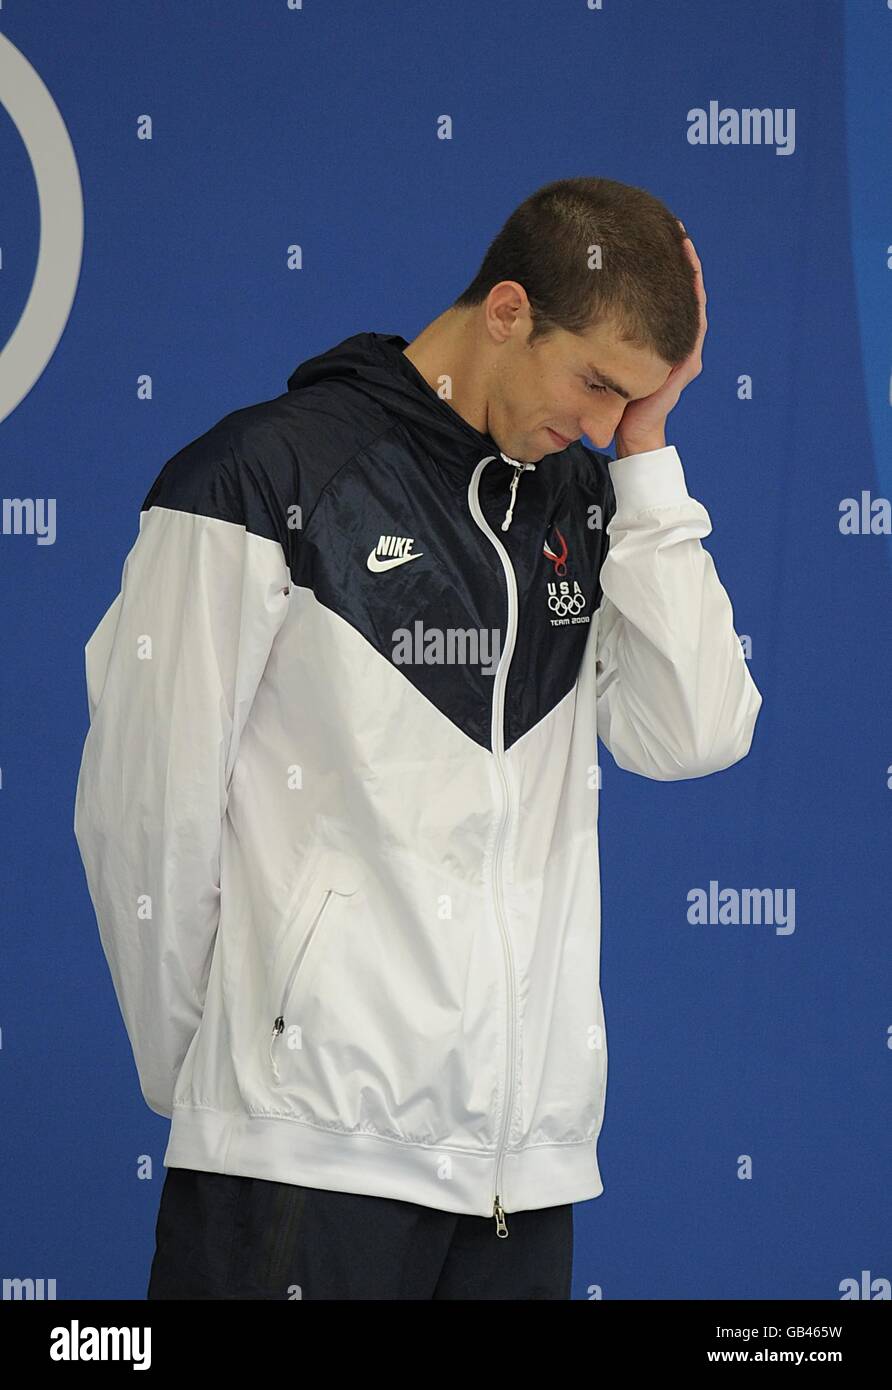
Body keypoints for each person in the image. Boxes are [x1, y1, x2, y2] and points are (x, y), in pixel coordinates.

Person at [73, 176, 763, 1300]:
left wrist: (646, 457)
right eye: (595, 382)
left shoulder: (584, 502)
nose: (596, 424)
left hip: (517, 1183)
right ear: (504, 310)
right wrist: (238, 1088)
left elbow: (692, 731)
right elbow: (144, 813)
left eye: (628, 401)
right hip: (300, 1164)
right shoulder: (260, 478)